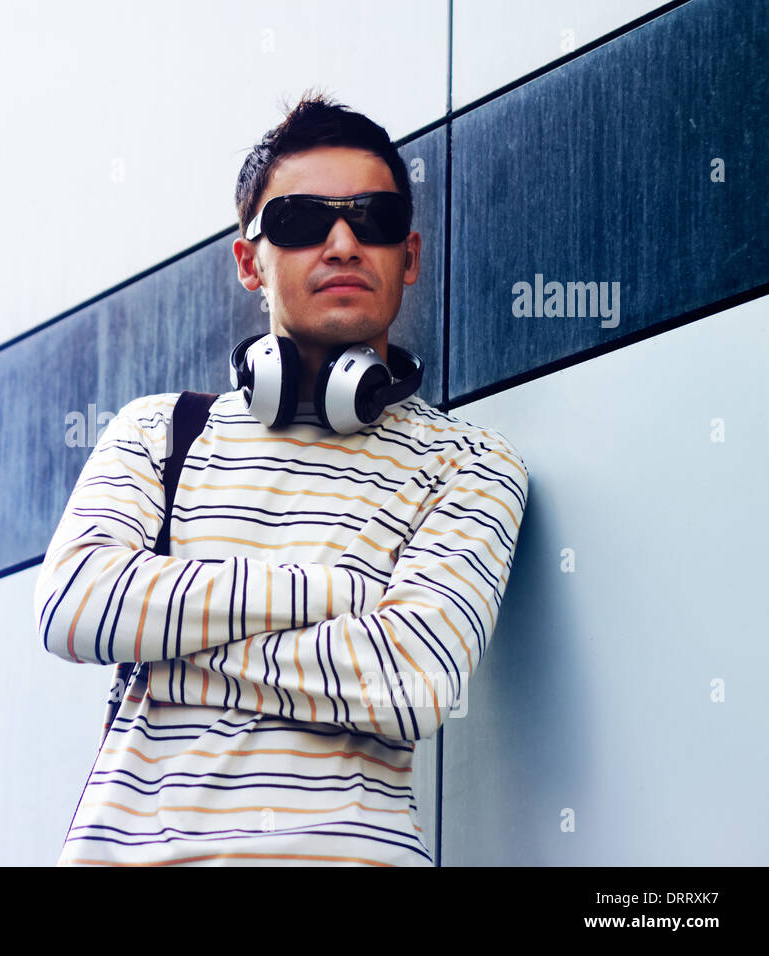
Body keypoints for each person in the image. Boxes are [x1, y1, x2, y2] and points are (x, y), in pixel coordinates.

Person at [33, 90, 529, 866]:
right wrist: (338, 594)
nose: (340, 243)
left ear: (410, 254)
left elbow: (411, 683)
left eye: (374, 219)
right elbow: (75, 606)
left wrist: (166, 644)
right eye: (301, 221)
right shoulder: (158, 431)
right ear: (248, 260)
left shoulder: (470, 463)